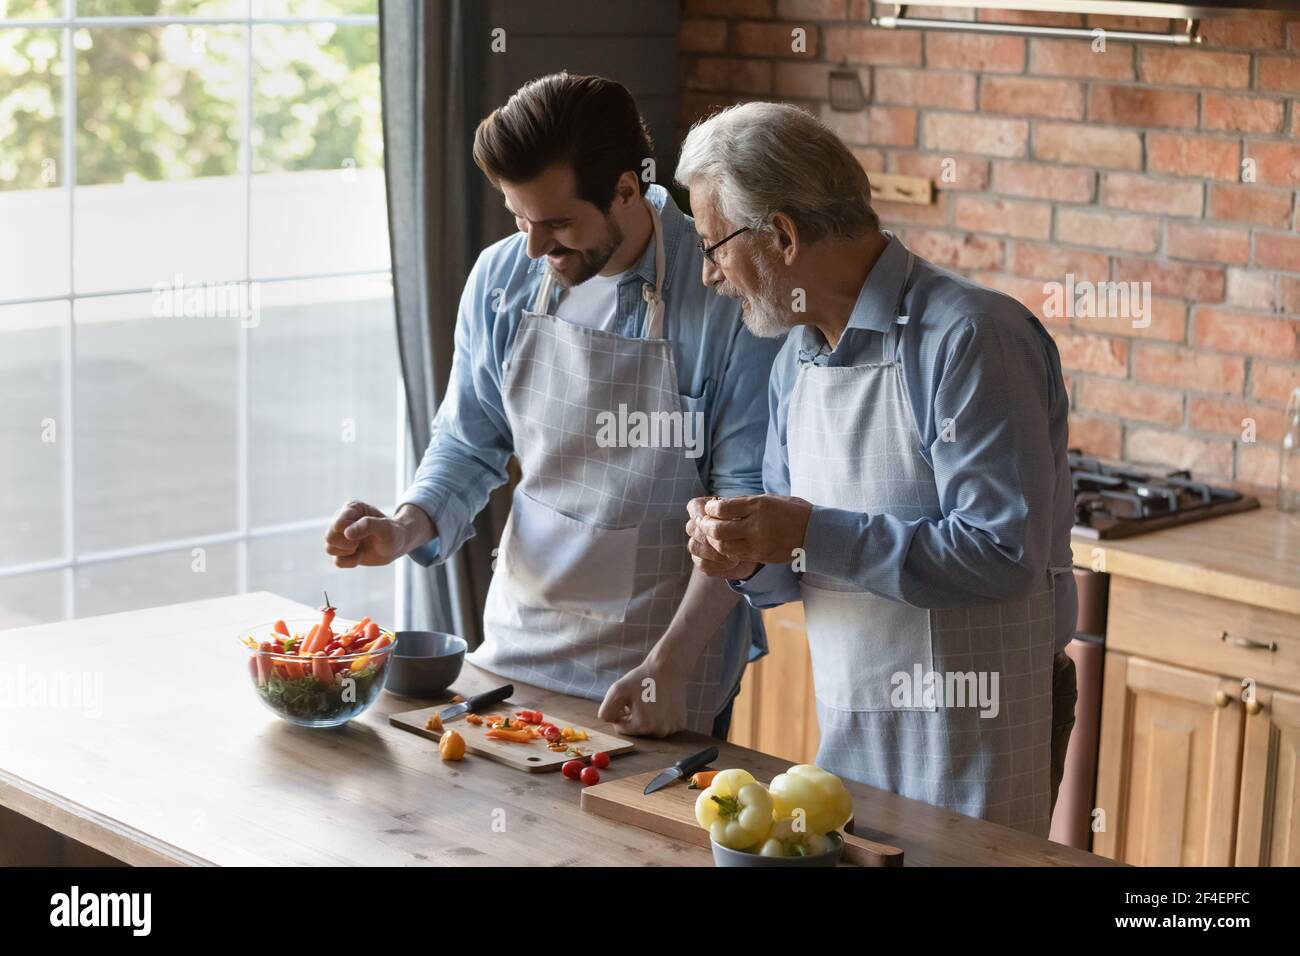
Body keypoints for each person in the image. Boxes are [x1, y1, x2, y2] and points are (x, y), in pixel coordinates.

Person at [326, 74, 782, 739]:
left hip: (661, 662)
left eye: (558, 222)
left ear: (627, 190)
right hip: (517, 647)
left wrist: (669, 667)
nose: (535, 247)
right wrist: (403, 527)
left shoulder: (723, 298)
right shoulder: (501, 278)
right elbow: (469, 441)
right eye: (520, 218)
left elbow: (737, 517)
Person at [679, 102, 1077, 836]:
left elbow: (1002, 554)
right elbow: (790, 575)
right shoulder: (795, 362)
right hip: (855, 729)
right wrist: (739, 554)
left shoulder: (971, 338)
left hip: (979, 727)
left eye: (714, 246)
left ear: (783, 234)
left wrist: (803, 529)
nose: (709, 274)